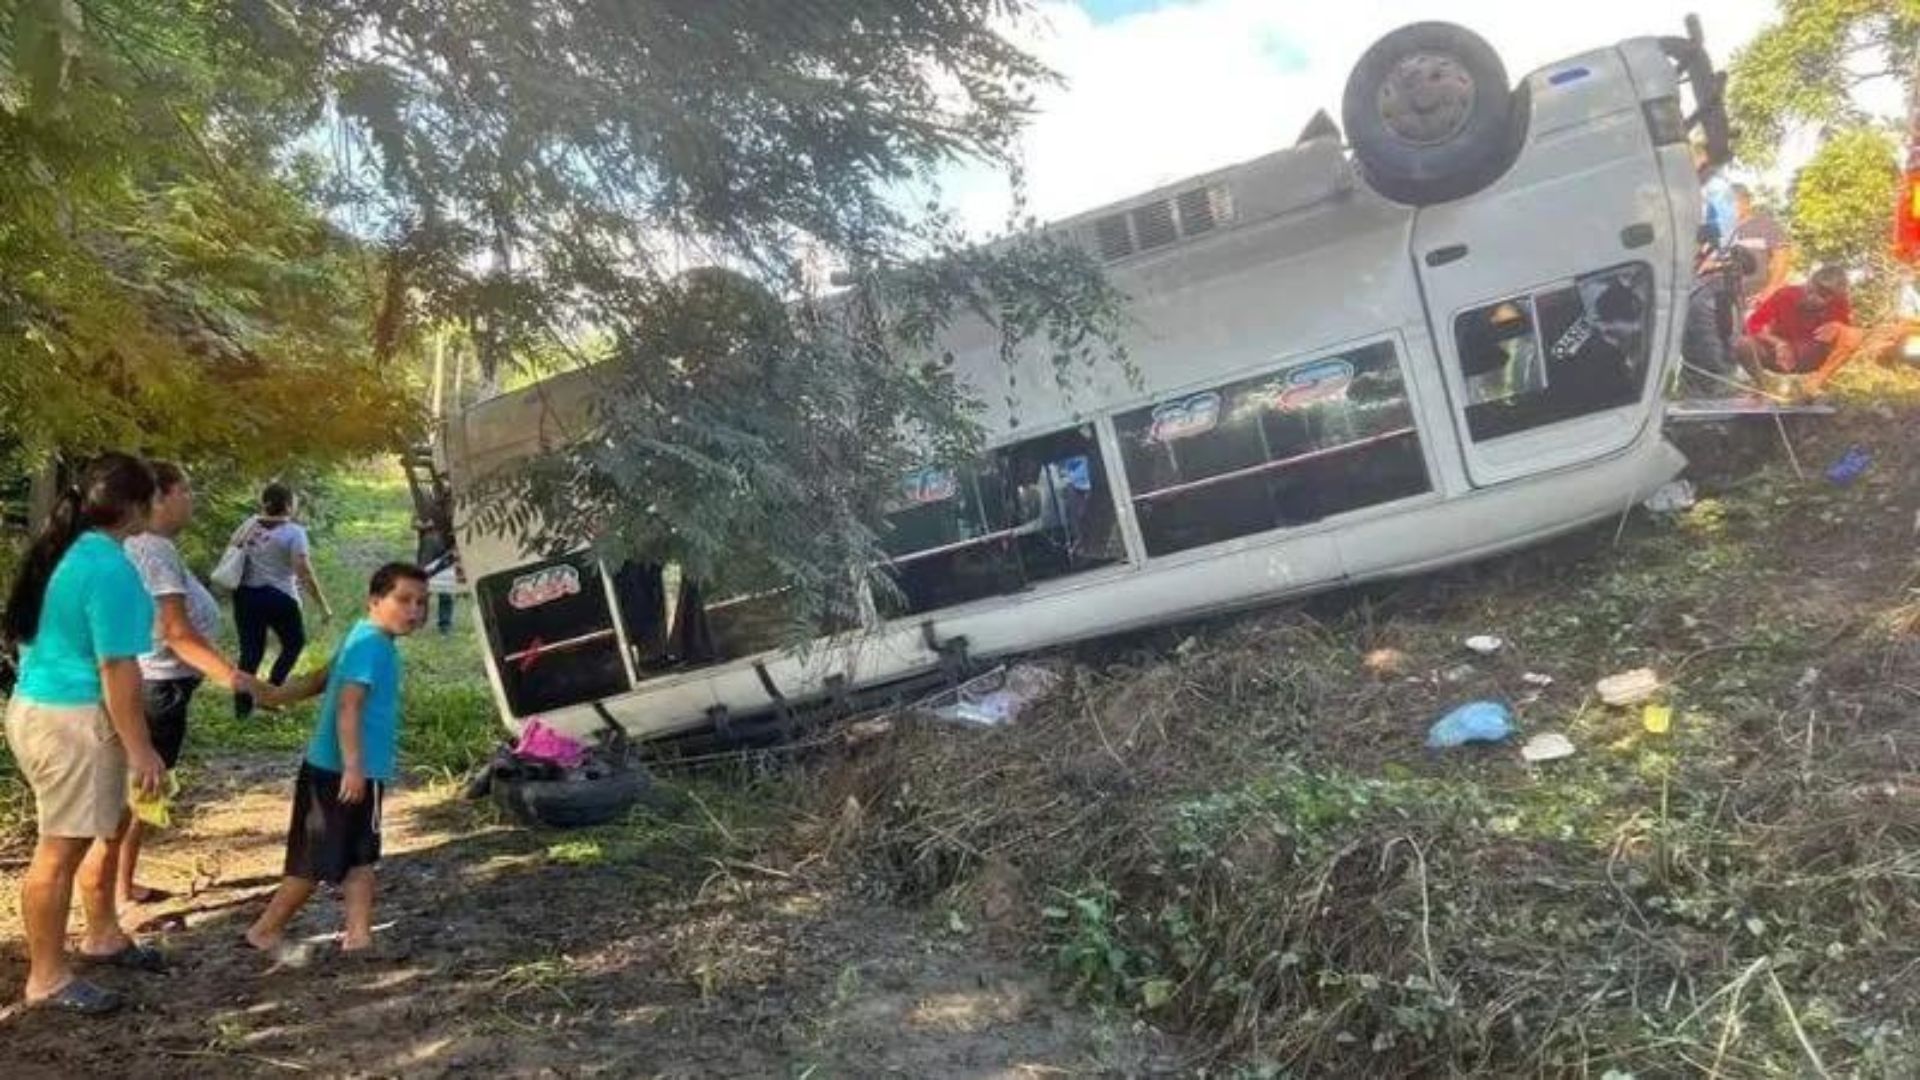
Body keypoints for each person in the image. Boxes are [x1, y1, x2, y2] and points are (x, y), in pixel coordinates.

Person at [0, 453, 167, 1015]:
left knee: (106, 825)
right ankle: (46, 977)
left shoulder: (72, 551)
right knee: (60, 849)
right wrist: (142, 749)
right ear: (138, 506)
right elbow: (117, 668)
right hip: (71, 722)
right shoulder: (109, 569)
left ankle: (103, 934)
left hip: (47, 709)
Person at [245, 562, 428, 961]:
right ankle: (265, 930)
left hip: (352, 770)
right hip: (344, 771)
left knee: (361, 854)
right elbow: (349, 706)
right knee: (313, 861)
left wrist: (275, 695)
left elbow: (321, 679)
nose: (415, 611)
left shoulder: (362, 635)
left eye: (421, 602)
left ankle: (358, 937)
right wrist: (353, 766)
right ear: (375, 601)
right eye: (404, 600)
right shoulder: (371, 645)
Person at [119, 462, 263, 905]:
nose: (191, 499)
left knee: (141, 791)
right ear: (159, 497)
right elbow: (176, 632)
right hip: (156, 686)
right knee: (140, 791)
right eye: (185, 490)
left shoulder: (151, 547)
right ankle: (115, 890)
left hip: (160, 684)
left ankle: (120, 883)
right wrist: (233, 678)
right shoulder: (153, 550)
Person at [230, 482, 333, 718]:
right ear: (288, 505)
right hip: (280, 597)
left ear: (264, 503)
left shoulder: (248, 526)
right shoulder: (294, 532)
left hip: (246, 596)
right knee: (294, 643)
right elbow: (303, 571)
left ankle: (242, 710)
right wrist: (322, 605)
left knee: (250, 653)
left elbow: (232, 550)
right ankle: (271, 692)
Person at [1734, 265, 1864, 394]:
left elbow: (1849, 339)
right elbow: (1751, 324)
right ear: (1808, 283)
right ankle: (1766, 385)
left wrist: (1839, 328)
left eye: (1823, 295)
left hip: (1811, 357)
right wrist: (1778, 343)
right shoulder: (1785, 294)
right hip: (1779, 355)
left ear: (1834, 297)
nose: (1813, 298)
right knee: (1743, 344)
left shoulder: (1840, 304)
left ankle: (1816, 384)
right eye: (1811, 291)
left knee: (1852, 336)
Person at [1727, 184, 1792, 308]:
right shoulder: (1719, 228)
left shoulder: (1766, 225)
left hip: (1755, 298)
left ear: (1746, 202)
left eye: (1732, 202)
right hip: (1723, 299)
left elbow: (1782, 257)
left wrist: (1771, 289)